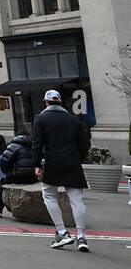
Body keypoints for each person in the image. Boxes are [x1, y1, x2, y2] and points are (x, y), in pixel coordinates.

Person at [32, 89, 92, 252]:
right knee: (77, 200)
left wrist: (37, 165)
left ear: (46, 102)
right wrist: (77, 158)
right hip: (73, 163)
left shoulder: (41, 119)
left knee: (49, 195)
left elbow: (37, 144)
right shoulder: (74, 120)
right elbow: (84, 144)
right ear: (60, 102)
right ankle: (81, 236)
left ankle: (62, 232)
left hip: (52, 162)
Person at [0, 132, 38, 217]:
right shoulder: (34, 146)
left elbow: (4, 162)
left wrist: (7, 172)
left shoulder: (13, 146)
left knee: (3, 185)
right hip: (32, 177)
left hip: (16, 176)